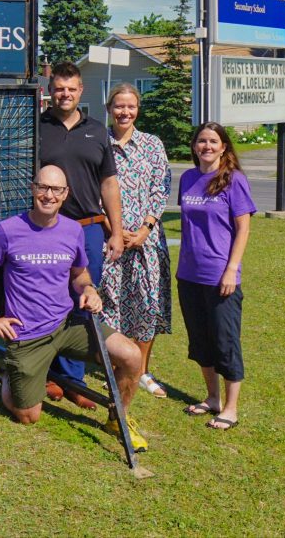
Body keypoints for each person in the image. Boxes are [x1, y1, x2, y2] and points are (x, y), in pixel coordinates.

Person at [0, 166, 147, 450]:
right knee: (28, 416)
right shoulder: (7, 230)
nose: (48, 195)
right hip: (27, 334)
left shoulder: (72, 230)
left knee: (131, 356)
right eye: (43, 187)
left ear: (65, 194)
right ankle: (6, 370)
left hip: (68, 324)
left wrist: (89, 289)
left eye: (56, 190)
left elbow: (79, 275)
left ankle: (118, 418)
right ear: (33, 188)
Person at [38, 61, 124, 410]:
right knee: (44, 297)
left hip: (87, 228)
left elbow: (109, 183)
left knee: (83, 299)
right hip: (47, 227)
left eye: (71, 88)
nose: (65, 94)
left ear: (81, 91)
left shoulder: (98, 131)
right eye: (59, 88)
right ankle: (46, 371)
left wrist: (116, 230)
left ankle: (73, 379)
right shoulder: (36, 126)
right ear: (50, 88)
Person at [177, 123, 254, 431]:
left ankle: (231, 408)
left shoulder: (234, 180)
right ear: (194, 146)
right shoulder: (187, 178)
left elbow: (243, 228)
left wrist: (232, 269)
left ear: (224, 147)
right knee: (200, 340)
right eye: (201, 141)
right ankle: (212, 398)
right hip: (188, 274)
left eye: (213, 141)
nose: (206, 146)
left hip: (220, 274)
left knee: (225, 341)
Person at [98, 85, 173, 398]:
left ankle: (141, 370)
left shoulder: (152, 145)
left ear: (137, 109)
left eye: (130, 106)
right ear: (109, 108)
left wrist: (144, 229)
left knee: (146, 303)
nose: (124, 112)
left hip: (145, 241)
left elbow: (162, 187)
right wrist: (113, 228)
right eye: (118, 106)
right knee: (111, 305)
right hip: (109, 238)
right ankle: (116, 368)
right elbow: (91, 189)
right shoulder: (100, 142)